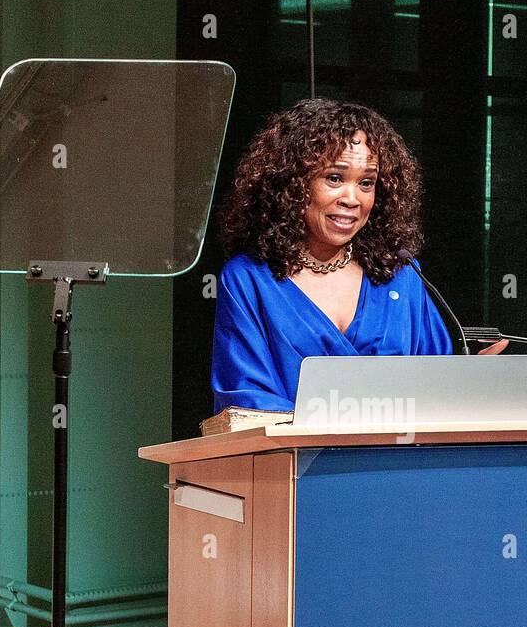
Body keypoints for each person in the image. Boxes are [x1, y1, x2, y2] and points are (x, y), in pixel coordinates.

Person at [211, 98, 505, 414]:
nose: (352, 199)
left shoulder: (400, 274)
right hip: (295, 460)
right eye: (335, 178)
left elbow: (435, 385)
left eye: (366, 183)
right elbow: (245, 400)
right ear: (291, 183)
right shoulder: (249, 278)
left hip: (397, 460)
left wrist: (468, 383)